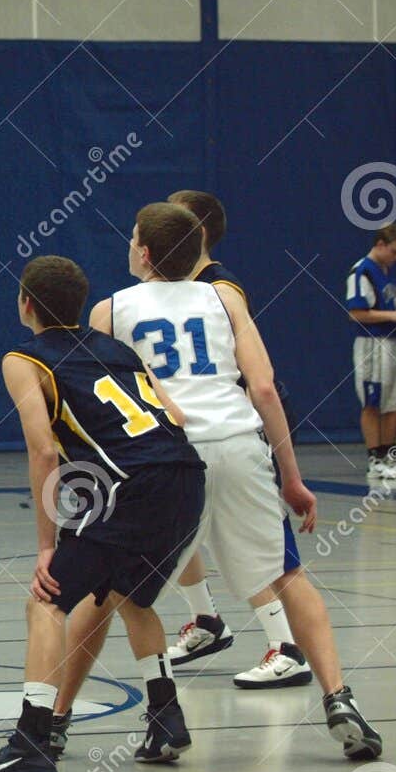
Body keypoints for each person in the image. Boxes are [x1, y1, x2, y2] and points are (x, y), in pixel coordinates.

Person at [53, 203, 383, 763]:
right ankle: (339, 698)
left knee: (107, 591)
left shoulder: (111, 310)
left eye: (133, 239)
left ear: (146, 254)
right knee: (288, 575)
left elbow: (99, 403)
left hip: (166, 457)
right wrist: (293, 477)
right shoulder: (225, 298)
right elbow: (265, 389)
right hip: (238, 445)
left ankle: (56, 721)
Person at [0, 255, 204, 772]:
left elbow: (43, 452)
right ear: (79, 303)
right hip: (186, 476)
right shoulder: (118, 350)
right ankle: (165, 719)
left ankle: (30, 743)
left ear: (26, 303)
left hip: (133, 489)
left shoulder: (24, 359)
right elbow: (176, 418)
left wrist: (46, 544)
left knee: (47, 600)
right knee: (130, 596)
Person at [94, 189, 310, 690]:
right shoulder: (166, 293)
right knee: (184, 529)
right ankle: (207, 620)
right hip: (190, 435)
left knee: (252, 550)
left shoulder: (218, 289)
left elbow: (256, 379)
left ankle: (288, 645)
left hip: (234, 428)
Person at [345, 222, 396, 482]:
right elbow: (356, 313)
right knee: (373, 402)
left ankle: (389, 457)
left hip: (394, 342)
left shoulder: (387, 271)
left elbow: (391, 306)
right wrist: (394, 316)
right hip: (373, 345)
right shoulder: (361, 271)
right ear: (380, 244)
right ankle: (375, 460)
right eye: (395, 252)